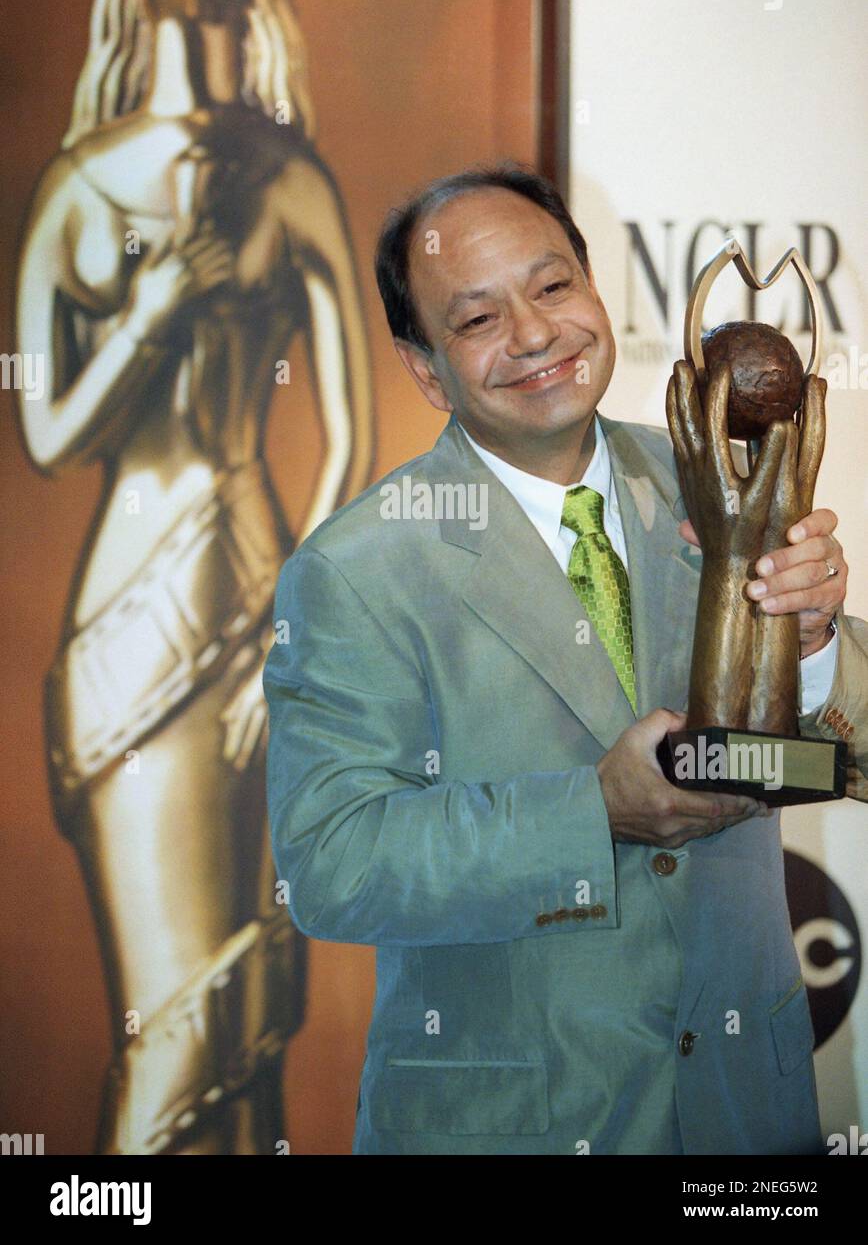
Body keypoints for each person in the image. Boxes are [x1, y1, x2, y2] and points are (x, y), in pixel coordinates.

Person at [263, 163, 867, 1155]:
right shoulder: (357, 566)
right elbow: (332, 864)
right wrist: (591, 811)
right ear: (425, 370)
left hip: (744, 1124)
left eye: (551, 288)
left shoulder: (723, 476)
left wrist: (807, 649)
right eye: (476, 319)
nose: (535, 334)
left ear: (595, 293)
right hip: (509, 1126)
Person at [16, 0, 372, 1154]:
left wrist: (297, 638)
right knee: (164, 1018)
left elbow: (350, 444)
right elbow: (51, 430)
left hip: (255, 597)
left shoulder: (291, 178)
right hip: (127, 614)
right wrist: (158, 308)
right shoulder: (79, 180)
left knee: (245, 1009)